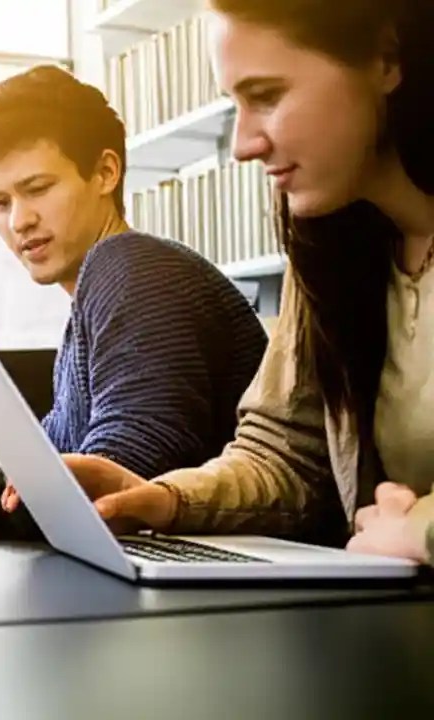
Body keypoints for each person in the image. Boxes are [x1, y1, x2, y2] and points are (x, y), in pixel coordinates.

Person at [21, 0, 434, 566]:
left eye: (266, 96)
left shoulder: (127, 267)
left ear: (387, 58)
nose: (243, 144)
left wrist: (422, 529)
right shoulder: (333, 249)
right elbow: (286, 455)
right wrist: (165, 499)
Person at [0, 66, 269, 533]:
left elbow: (116, 483)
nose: (20, 221)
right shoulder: (93, 301)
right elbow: (43, 480)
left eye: (37, 189)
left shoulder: (131, 266)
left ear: (106, 172)